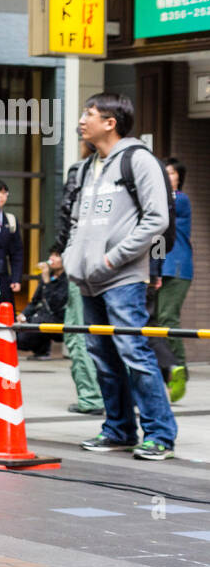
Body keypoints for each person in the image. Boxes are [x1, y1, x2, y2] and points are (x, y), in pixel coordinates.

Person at [64, 93, 178, 459]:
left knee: (134, 352)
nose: (82, 121)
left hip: (122, 278)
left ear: (110, 122)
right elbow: (75, 220)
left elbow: (157, 218)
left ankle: (160, 434)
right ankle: (118, 430)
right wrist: (71, 257)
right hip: (86, 279)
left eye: (89, 114)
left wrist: (114, 259)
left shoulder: (138, 160)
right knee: (102, 355)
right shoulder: (86, 167)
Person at [54, 137, 103, 415]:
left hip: (83, 261)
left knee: (77, 331)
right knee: (113, 333)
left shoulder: (81, 170)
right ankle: (115, 397)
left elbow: (67, 214)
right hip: (115, 264)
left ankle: (90, 397)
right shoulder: (125, 169)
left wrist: (60, 252)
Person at [151, 157, 192, 403]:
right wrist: (153, 271)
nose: (167, 176)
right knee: (154, 323)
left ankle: (180, 370)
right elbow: (158, 235)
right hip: (160, 269)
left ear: (179, 178)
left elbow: (162, 215)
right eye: (163, 172)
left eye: (171, 173)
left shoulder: (180, 199)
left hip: (177, 268)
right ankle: (167, 372)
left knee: (167, 319)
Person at [17, 251, 69, 359]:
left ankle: (43, 349)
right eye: (51, 255)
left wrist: (47, 281)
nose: (52, 259)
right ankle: (41, 350)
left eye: (57, 256)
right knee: (18, 330)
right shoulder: (48, 276)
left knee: (35, 326)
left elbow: (56, 303)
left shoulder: (67, 279)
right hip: (44, 316)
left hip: (60, 319)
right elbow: (34, 301)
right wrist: (23, 315)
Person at [0, 180, 23, 310]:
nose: (0, 196)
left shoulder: (10, 220)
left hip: (3, 276)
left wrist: (16, 278)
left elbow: (17, 252)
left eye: (4, 193)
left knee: (4, 316)